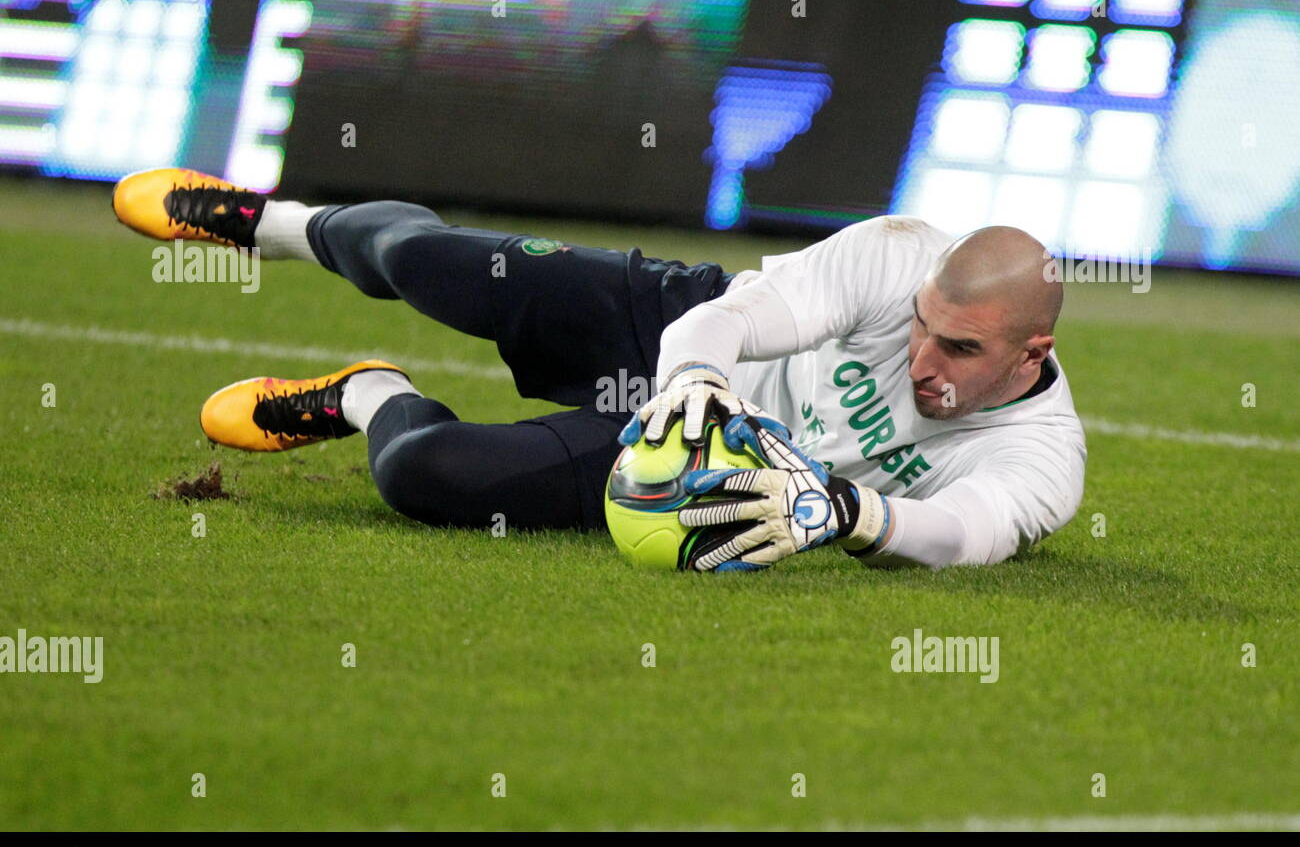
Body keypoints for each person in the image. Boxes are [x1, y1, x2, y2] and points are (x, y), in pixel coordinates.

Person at [112, 167, 1086, 571]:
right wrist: (697, 384)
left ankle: (365, 391)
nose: (923, 357)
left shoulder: (1041, 454)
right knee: (426, 262)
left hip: (716, 469)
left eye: (958, 349)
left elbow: (964, 532)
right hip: (671, 330)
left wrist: (844, 511)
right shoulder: (896, 250)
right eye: (921, 327)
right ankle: (267, 222)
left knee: (426, 475)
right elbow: (730, 317)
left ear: (1028, 353)